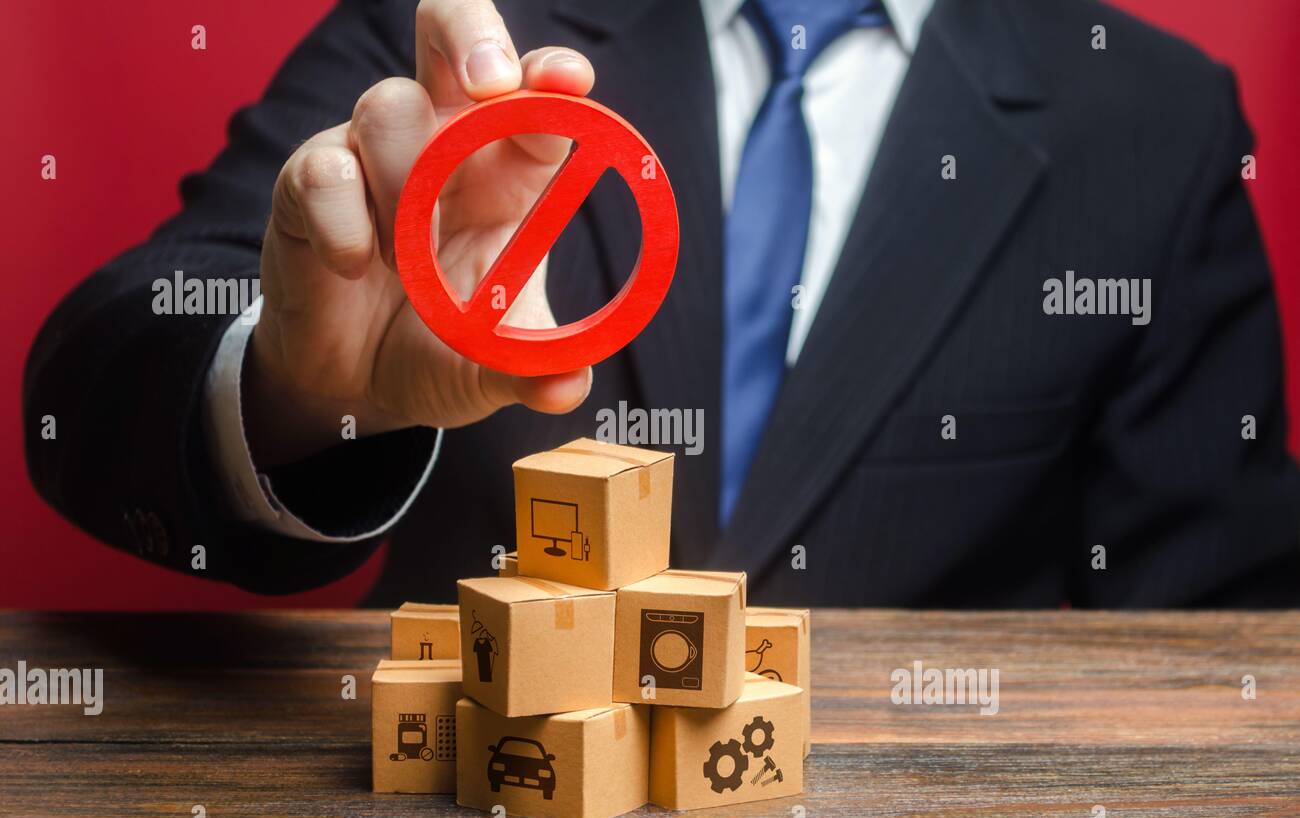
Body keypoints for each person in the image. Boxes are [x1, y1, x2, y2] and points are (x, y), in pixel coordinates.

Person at [24, 0, 1300, 607]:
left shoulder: (1151, 119)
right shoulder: (458, 31)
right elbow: (90, 377)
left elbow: (1223, 635)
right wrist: (301, 386)